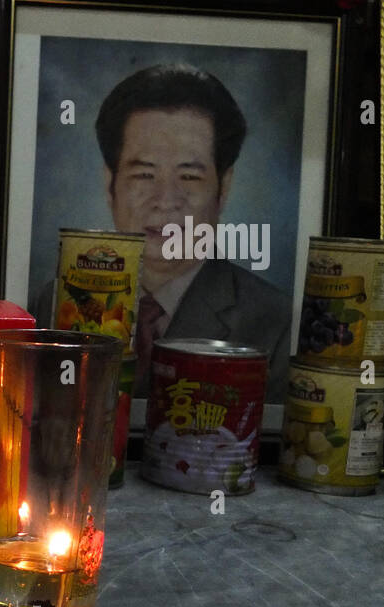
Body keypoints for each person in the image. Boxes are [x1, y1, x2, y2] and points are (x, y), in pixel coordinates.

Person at [93, 64, 291, 399]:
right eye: (143, 175)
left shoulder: (276, 321)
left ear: (223, 189)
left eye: (189, 177)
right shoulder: (54, 302)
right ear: (109, 184)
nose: (166, 201)